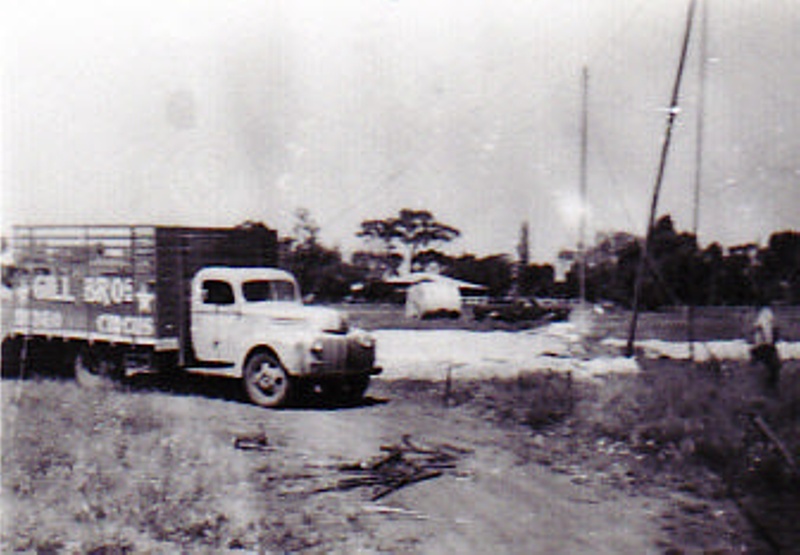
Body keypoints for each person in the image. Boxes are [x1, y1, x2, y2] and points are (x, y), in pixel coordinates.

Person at [750, 303, 781, 390]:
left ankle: (766, 386)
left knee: (769, 367)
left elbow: (760, 329)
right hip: (766, 346)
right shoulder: (767, 314)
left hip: (764, 345)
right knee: (772, 367)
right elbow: (770, 329)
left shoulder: (762, 315)